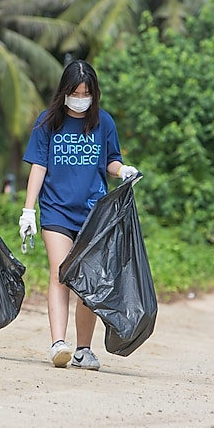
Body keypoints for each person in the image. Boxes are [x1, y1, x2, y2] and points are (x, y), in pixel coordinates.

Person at [19, 59, 138, 370]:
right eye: (75, 92)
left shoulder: (104, 123)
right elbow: (39, 167)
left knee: (88, 281)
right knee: (61, 273)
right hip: (57, 209)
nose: (81, 98)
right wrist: (28, 210)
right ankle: (59, 343)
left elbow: (110, 161)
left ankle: (84, 349)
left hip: (92, 213)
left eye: (87, 93)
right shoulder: (47, 122)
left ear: (94, 94)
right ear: (65, 92)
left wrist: (122, 170)